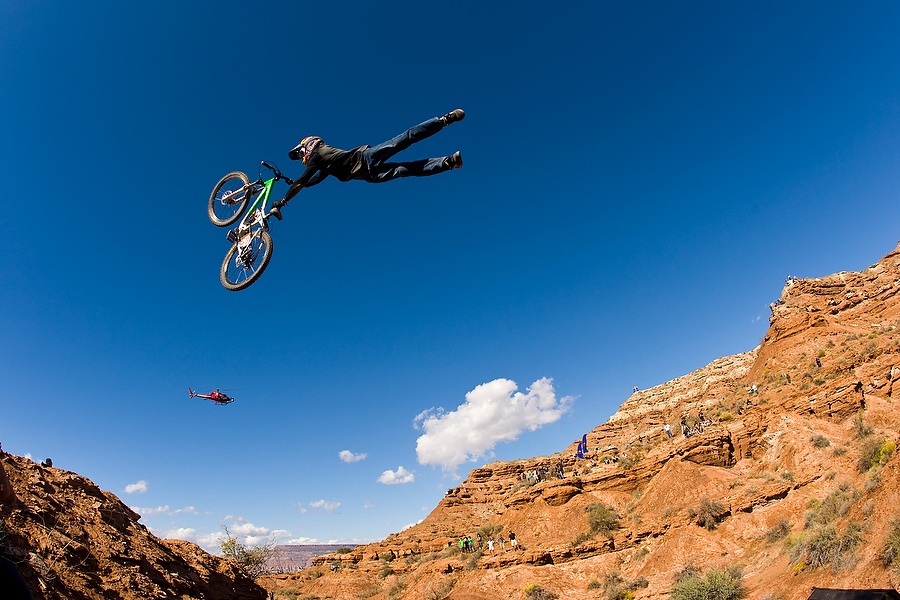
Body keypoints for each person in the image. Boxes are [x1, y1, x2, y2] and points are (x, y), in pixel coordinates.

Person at [270, 109, 466, 219]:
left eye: (300, 153)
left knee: (403, 140)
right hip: (370, 175)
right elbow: (314, 179)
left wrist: (284, 200)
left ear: (307, 145)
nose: (301, 158)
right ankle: (448, 163)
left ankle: (443, 120)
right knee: (407, 170)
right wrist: (293, 183)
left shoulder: (319, 154)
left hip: (366, 158)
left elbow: (304, 180)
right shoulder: (322, 165)